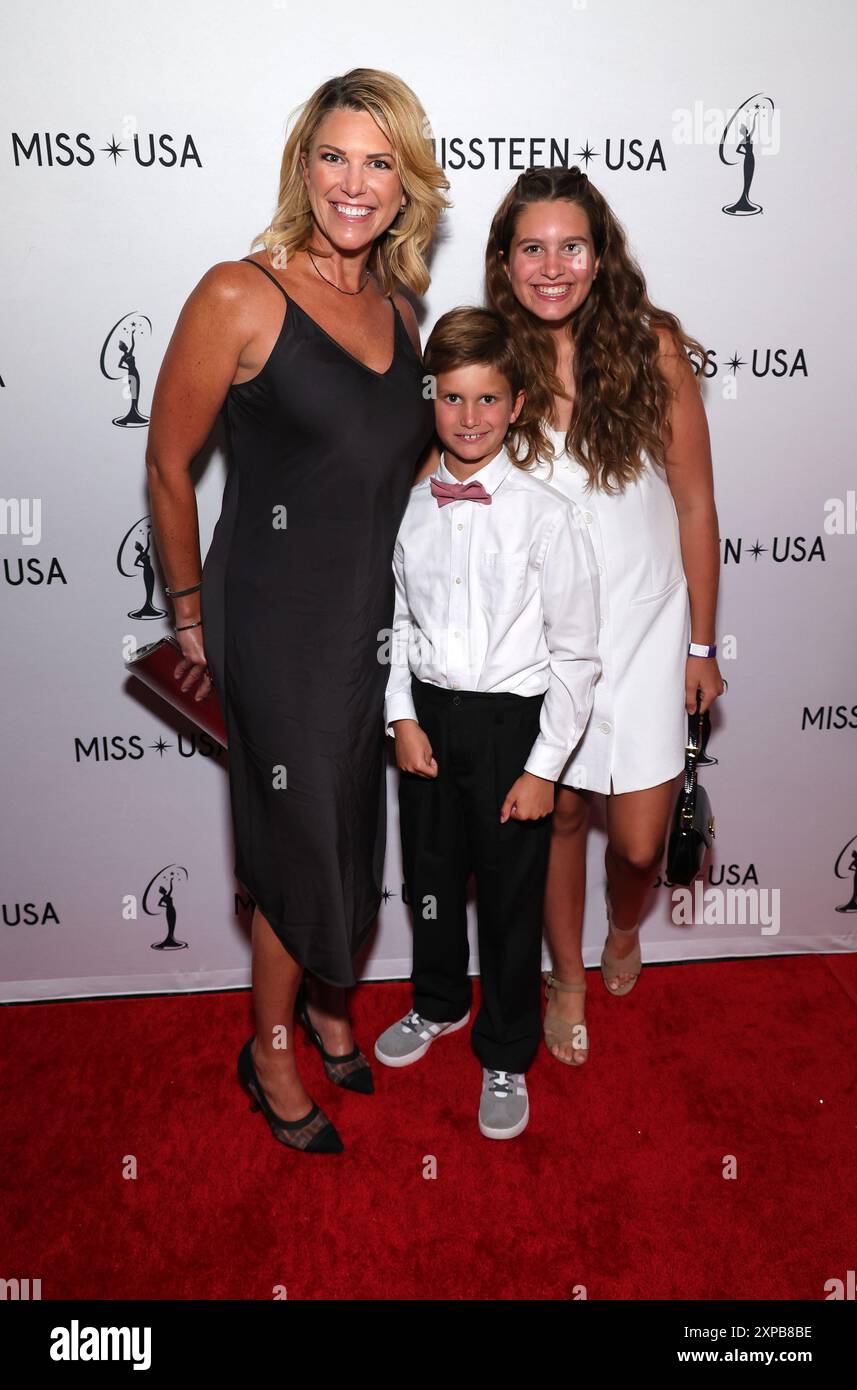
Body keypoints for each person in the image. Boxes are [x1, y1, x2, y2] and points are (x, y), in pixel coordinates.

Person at [145, 70, 448, 1153]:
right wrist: (189, 610)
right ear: (302, 167)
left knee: (352, 826)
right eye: (333, 157)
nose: (353, 184)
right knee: (302, 835)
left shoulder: (403, 312)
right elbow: (168, 464)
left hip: (371, 619)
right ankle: (269, 1045)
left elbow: (396, 472)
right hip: (273, 620)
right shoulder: (241, 294)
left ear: (406, 186)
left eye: (379, 162)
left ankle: (327, 1006)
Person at [484, 165, 725, 1065]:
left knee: (636, 842)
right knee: (558, 818)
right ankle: (567, 978)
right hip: (545, 640)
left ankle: (625, 924)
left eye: (571, 247)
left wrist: (702, 643)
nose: (552, 268)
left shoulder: (649, 347)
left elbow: (695, 504)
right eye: (532, 248)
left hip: (650, 631)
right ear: (505, 261)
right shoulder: (491, 359)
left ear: (601, 255)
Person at [374, 306, 601, 1139]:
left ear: (517, 404)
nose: (469, 417)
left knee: (509, 898)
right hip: (430, 719)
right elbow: (396, 625)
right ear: (429, 399)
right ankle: (438, 1001)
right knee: (431, 879)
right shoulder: (407, 508)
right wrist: (401, 716)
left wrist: (544, 768)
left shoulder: (548, 514)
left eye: (488, 399)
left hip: (514, 728)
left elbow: (576, 654)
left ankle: (506, 1048)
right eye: (452, 398)